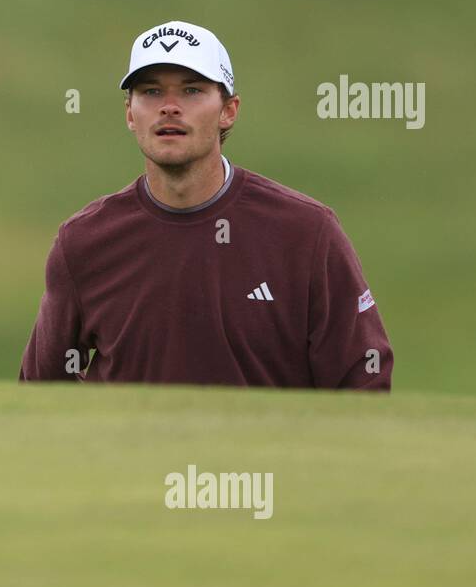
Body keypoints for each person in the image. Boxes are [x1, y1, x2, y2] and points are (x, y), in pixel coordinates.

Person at [19, 20, 393, 389]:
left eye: (192, 91)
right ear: (130, 113)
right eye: (150, 92)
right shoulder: (85, 241)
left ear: (229, 110)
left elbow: (364, 383)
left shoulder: (306, 233)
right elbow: (41, 392)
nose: (169, 107)